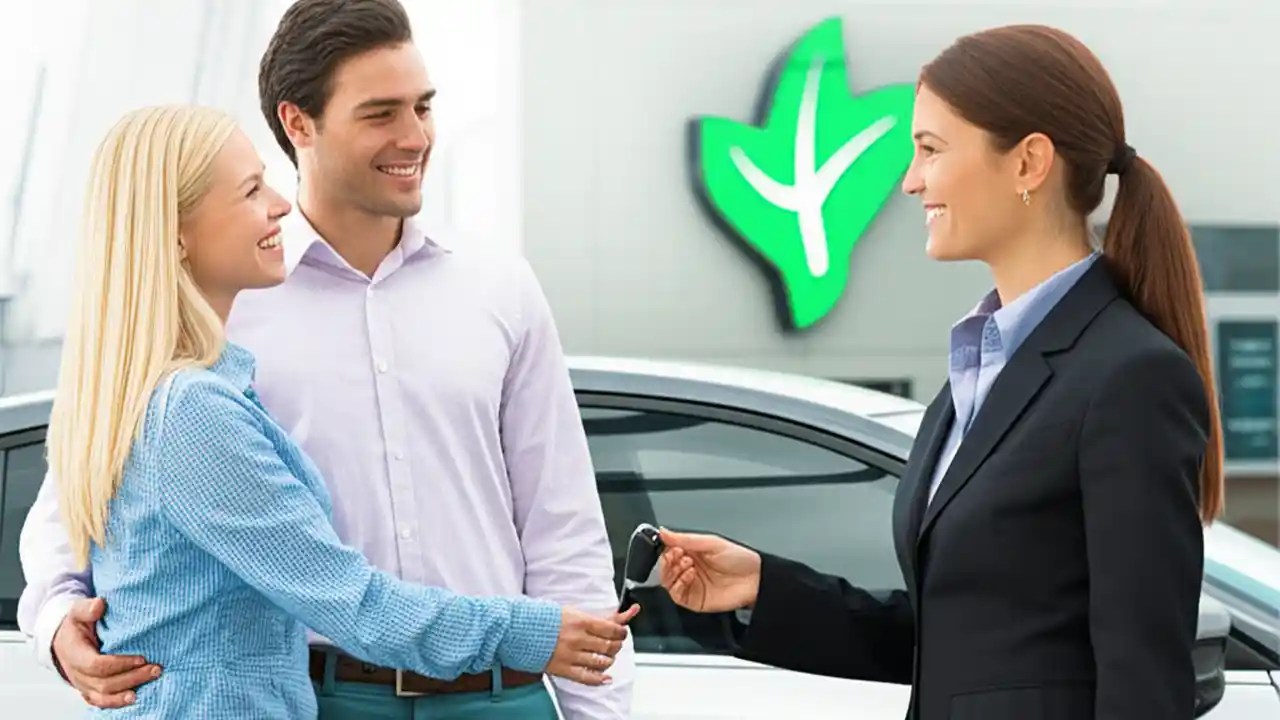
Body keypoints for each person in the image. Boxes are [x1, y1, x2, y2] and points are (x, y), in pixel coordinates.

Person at [18, 1, 633, 718]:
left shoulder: (501, 288)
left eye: (423, 107)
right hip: (319, 695)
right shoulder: (211, 314)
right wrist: (57, 624)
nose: (415, 137)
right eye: (380, 114)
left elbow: (564, 527)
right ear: (297, 123)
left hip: (503, 696)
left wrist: (598, 708)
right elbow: (76, 510)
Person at [655, 24, 1222, 720]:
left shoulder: (1129, 378)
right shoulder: (979, 371)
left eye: (930, 149)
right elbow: (963, 644)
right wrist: (765, 588)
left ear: (1028, 163)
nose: (910, 179)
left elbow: (1143, 677)